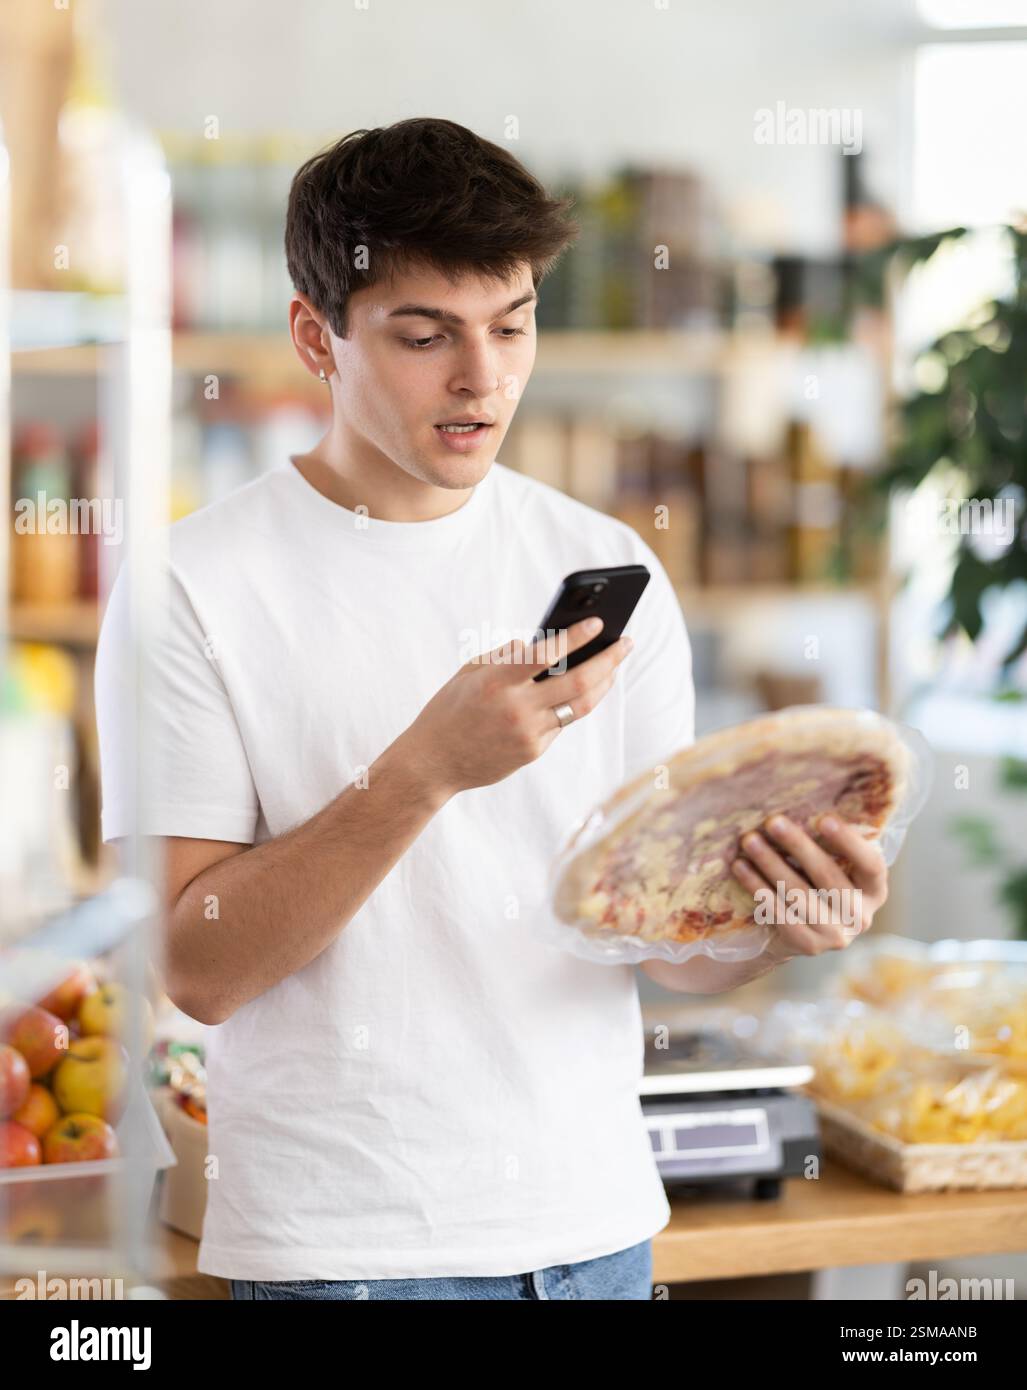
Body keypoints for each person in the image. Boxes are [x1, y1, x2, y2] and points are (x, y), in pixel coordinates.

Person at [95, 117, 889, 1301]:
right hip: (347, 1260)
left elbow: (660, 946)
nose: (483, 378)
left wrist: (777, 916)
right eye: (425, 337)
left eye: (511, 326)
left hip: (597, 1235)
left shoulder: (604, 561)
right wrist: (423, 771)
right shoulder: (192, 588)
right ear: (318, 337)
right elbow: (193, 968)